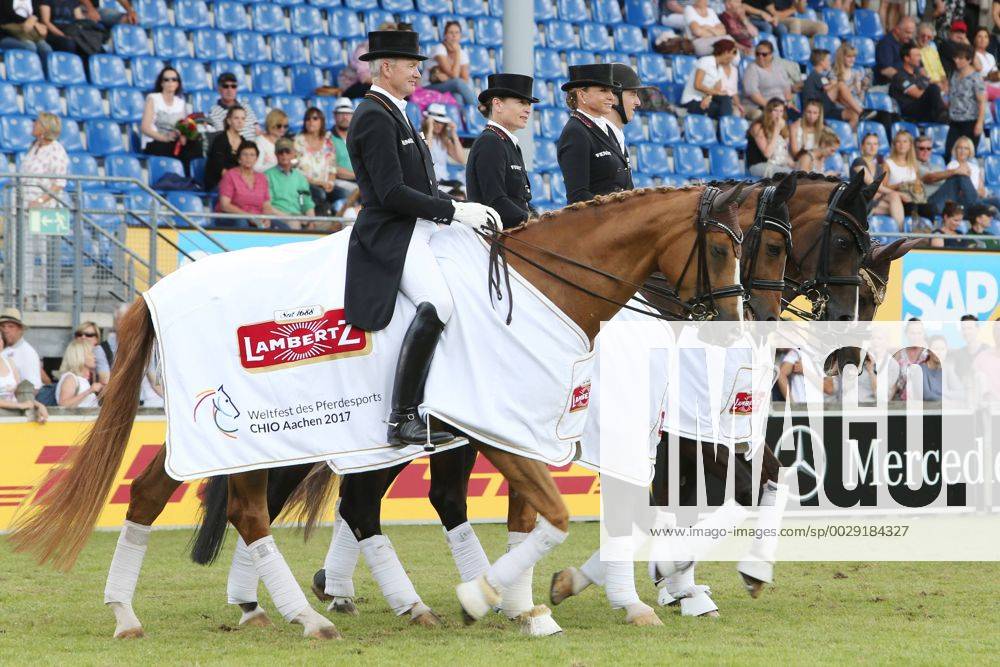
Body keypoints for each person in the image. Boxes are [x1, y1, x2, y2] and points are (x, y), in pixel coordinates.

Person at [344, 30, 497, 446]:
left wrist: (458, 208)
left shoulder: (397, 111)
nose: (419, 71)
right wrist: (453, 210)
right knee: (439, 302)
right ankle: (403, 416)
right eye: (412, 64)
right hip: (393, 231)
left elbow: (420, 184)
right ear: (386, 67)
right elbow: (391, 192)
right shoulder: (374, 115)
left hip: (421, 226)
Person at [465, 73, 538, 229]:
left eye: (529, 104)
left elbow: (521, 200)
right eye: (521, 102)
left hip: (513, 232)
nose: (528, 110)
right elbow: (495, 201)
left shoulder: (509, 143)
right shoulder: (490, 142)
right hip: (495, 236)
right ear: (498, 104)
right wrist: (533, 222)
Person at [557, 63, 631, 203]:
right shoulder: (575, 132)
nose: (611, 97)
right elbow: (578, 196)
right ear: (582, 95)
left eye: (611, 91)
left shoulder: (607, 129)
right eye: (603, 90)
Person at [140, 67, 202, 175]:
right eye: (166, 79)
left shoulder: (181, 103)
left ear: (178, 83)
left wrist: (183, 136)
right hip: (155, 141)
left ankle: (192, 181)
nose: (170, 82)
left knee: (195, 145)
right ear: (161, 83)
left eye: (174, 79)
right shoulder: (153, 98)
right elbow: (145, 128)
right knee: (179, 151)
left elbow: (183, 126)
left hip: (174, 141)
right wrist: (164, 138)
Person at [216, 140, 280, 229]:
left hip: (257, 218)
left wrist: (266, 218)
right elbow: (225, 205)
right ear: (239, 158)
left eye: (252, 155)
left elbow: (266, 205)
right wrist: (249, 216)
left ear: (256, 159)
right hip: (234, 216)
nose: (248, 158)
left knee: (281, 225)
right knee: (242, 223)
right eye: (245, 154)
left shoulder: (262, 178)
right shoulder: (230, 175)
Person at [294, 106, 341, 216]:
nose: (311, 122)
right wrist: (319, 183)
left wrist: (330, 183)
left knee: (345, 194)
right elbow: (296, 171)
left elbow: (332, 168)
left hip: (326, 184)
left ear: (322, 121)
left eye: (315, 118)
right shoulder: (298, 140)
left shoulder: (327, 140)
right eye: (308, 119)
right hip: (306, 184)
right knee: (320, 194)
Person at [853, 132, 905, 229]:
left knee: (895, 202)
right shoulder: (858, 162)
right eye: (869, 144)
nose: (872, 147)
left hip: (872, 201)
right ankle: (902, 236)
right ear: (862, 146)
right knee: (895, 198)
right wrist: (899, 193)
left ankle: (900, 235)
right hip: (859, 201)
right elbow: (873, 185)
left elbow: (879, 192)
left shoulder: (879, 168)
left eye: (875, 144)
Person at [681, 39, 742, 119]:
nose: (734, 56)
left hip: (705, 99)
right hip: (692, 100)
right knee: (718, 109)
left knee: (725, 98)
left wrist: (708, 98)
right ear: (725, 52)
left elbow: (717, 89)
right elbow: (697, 85)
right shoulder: (705, 61)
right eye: (733, 52)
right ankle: (724, 127)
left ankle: (724, 126)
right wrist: (714, 93)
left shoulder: (720, 68)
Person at [890, 42, 949, 123]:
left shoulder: (919, 74)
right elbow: (918, 94)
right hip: (910, 111)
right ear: (907, 58)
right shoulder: (900, 76)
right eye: (917, 56)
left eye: (920, 55)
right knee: (934, 88)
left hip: (924, 108)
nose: (920, 58)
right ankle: (943, 114)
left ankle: (944, 114)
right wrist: (936, 94)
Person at [20, 112, 69, 208]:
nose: (33, 124)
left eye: (37, 122)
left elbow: (59, 184)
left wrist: (40, 200)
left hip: (43, 209)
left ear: (45, 128)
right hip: (23, 203)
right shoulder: (35, 145)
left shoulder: (56, 151)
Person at [946, 44, 986, 158]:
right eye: (955, 57)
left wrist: (979, 122)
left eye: (960, 58)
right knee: (949, 152)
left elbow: (982, 101)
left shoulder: (976, 77)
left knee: (968, 154)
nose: (956, 60)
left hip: (970, 121)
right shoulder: (953, 74)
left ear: (969, 60)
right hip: (954, 120)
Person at [803, 49, 860, 128]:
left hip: (828, 109)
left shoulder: (821, 76)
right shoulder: (815, 75)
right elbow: (829, 88)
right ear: (822, 62)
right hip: (816, 108)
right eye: (828, 60)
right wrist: (837, 84)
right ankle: (861, 111)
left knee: (854, 115)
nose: (830, 62)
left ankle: (844, 137)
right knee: (840, 85)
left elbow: (835, 94)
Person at [424, 20, 476, 106]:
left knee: (457, 96)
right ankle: (480, 110)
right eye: (451, 32)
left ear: (460, 35)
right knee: (457, 83)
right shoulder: (439, 49)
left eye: (457, 32)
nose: (454, 35)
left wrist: (447, 79)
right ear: (445, 35)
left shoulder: (462, 53)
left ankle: (466, 119)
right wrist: (457, 53)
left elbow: (465, 79)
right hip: (429, 86)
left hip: (449, 86)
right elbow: (455, 76)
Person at [0, 329, 47, 423]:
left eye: (0, 338)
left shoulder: (10, 362)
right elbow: (21, 403)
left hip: (15, 417)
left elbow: (21, 393)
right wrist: (20, 405)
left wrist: (38, 405)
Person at [266, 138, 314, 230]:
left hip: (298, 217)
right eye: (281, 152)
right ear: (276, 154)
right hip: (278, 218)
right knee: (294, 224)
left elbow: (306, 202)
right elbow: (268, 206)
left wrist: (311, 220)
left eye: (287, 151)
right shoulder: (267, 175)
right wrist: (291, 218)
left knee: (328, 224)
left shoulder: (300, 177)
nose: (284, 155)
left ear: (293, 154)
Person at [339, 21, 395, 99]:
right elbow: (364, 77)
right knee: (376, 92)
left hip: (375, 84)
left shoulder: (390, 53)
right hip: (352, 85)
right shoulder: (363, 49)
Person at [742, 39, 794, 118]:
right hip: (763, 106)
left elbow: (786, 87)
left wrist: (789, 101)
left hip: (781, 106)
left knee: (798, 117)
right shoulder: (752, 69)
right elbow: (753, 94)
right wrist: (772, 107)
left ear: (771, 55)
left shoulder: (778, 67)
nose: (760, 57)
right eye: (757, 54)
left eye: (764, 54)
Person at [422, 103, 466, 194]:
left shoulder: (443, 140)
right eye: (436, 122)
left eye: (442, 122)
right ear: (429, 121)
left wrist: (454, 134)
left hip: (444, 182)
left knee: (464, 191)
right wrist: (429, 129)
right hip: (431, 183)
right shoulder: (420, 136)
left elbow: (461, 159)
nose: (440, 125)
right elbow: (426, 154)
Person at [747, 98, 795, 177]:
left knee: (801, 174)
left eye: (781, 111)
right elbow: (767, 154)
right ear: (768, 112)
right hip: (759, 165)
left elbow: (784, 153)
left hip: (779, 164)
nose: (778, 114)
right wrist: (777, 130)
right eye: (775, 110)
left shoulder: (783, 128)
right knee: (789, 175)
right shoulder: (758, 126)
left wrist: (796, 165)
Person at [204, 105, 245, 192]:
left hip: (236, 182)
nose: (240, 122)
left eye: (243, 119)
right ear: (229, 121)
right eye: (236, 118)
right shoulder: (220, 139)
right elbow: (219, 167)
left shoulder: (244, 142)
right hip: (217, 181)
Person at [0, 307, 42, 391]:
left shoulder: (27, 353)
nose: (5, 330)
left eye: (11, 326)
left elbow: (33, 388)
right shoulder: (5, 348)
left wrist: (19, 403)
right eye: (3, 326)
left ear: (20, 329)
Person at [207, 72, 259, 140]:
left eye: (233, 86)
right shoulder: (214, 111)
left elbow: (257, 130)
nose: (230, 90)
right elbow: (223, 135)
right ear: (219, 89)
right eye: (225, 86)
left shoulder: (246, 107)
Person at [884, 130, 925, 213]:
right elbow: (883, 187)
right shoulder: (888, 163)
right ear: (894, 145)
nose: (902, 145)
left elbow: (918, 185)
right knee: (914, 208)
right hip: (898, 200)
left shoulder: (914, 164)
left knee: (931, 208)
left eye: (905, 141)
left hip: (914, 199)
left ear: (910, 145)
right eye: (898, 142)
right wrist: (900, 185)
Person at [56, 339, 102, 408]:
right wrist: (89, 391)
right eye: (91, 353)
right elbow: (63, 404)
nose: (95, 356)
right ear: (80, 356)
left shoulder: (83, 378)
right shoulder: (70, 378)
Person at [832, 43, 868, 120]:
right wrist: (853, 84)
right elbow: (835, 96)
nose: (852, 59)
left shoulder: (856, 72)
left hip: (857, 105)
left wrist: (863, 88)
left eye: (854, 56)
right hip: (841, 106)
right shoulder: (834, 73)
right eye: (849, 57)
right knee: (855, 114)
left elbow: (859, 96)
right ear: (841, 58)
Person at [876, 15, 916, 84]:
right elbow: (886, 70)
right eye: (907, 32)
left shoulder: (908, 41)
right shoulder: (886, 44)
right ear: (897, 30)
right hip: (891, 84)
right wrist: (906, 82)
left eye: (912, 33)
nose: (910, 36)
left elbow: (917, 62)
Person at [330, 97, 357, 193]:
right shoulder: (328, 138)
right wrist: (358, 175)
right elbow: (332, 168)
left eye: (348, 114)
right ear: (334, 115)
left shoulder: (359, 136)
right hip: (339, 181)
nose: (345, 117)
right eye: (341, 114)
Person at [254, 109, 289, 173]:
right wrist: (277, 167)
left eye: (285, 126)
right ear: (271, 124)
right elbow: (256, 168)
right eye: (279, 126)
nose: (282, 129)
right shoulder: (260, 142)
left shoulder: (284, 142)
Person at [918, 22, 949, 91]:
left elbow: (941, 70)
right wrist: (937, 84)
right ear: (917, 34)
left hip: (940, 85)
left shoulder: (932, 50)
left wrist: (945, 83)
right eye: (923, 35)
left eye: (929, 37)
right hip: (927, 86)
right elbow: (921, 75)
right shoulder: (914, 52)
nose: (925, 38)